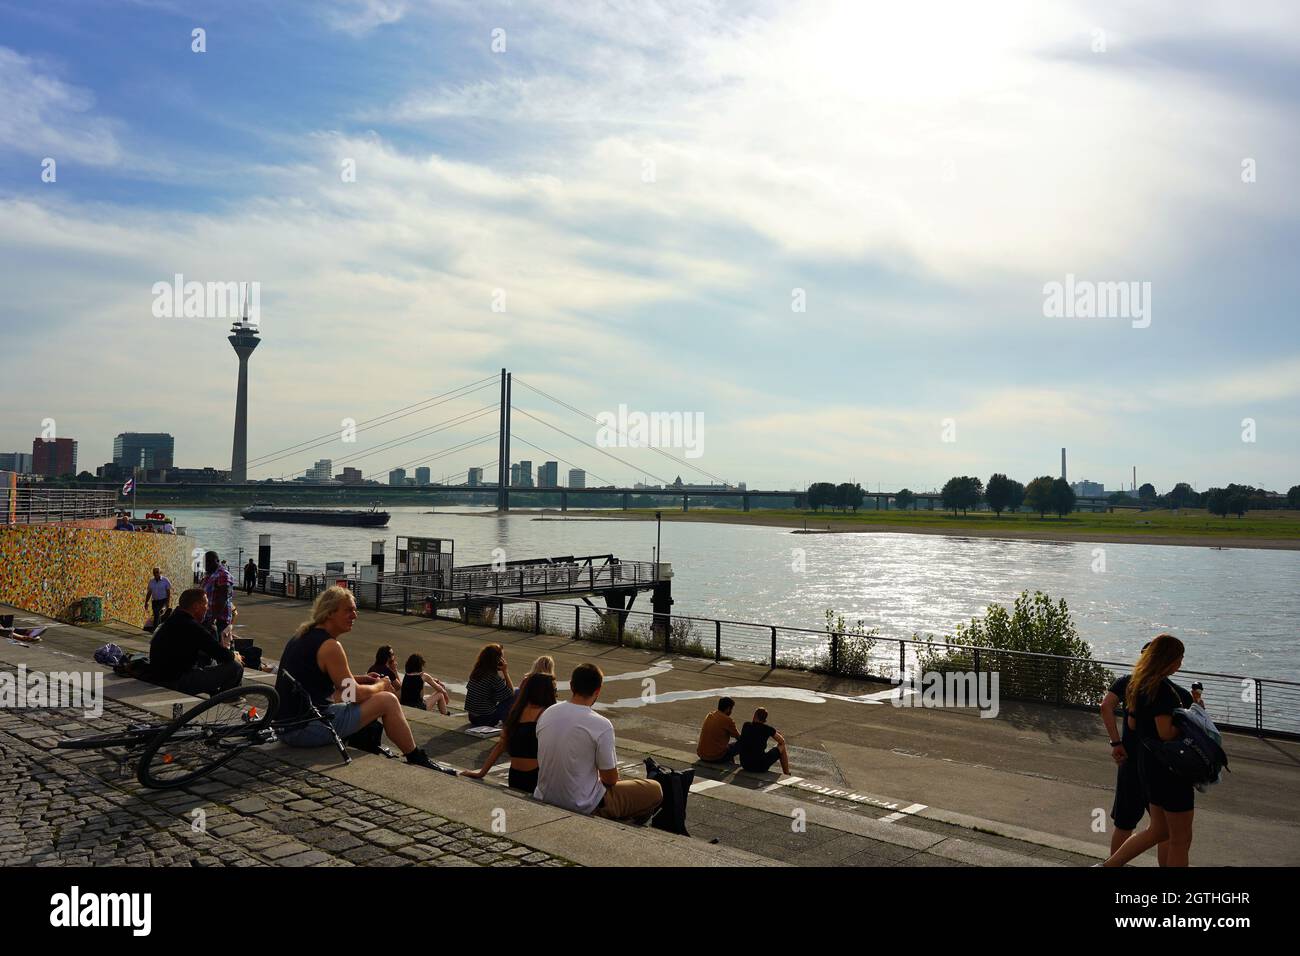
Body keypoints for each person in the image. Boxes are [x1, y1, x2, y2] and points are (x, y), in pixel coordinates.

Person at [273, 586, 435, 766]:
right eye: (348, 610)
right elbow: (353, 694)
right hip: (305, 729)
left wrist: (364, 679)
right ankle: (416, 757)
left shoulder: (302, 635)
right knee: (387, 700)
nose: (355, 615)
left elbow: (329, 680)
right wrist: (381, 685)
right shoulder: (330, 646)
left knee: (358, 699)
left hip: (285, 726)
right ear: (330, 613)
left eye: (355, 610)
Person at [1104, 634, 1196, 867]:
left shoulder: (1133, 686)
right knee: (1178, 837)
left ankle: (1110, 865)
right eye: (1179, 657)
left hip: (1142, 765)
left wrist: (1116, 743)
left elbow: (1131, 723)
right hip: (1168, 769)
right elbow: (1165, 733)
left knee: (1148, 827)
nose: (1181, 663)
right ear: (1168, 659)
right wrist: (1190, 724)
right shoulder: (1169, 692)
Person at [534, 663, 662, 823]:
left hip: (544, 794)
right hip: (582, 803)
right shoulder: (601, 725)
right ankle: (624, 821)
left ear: (572, 686)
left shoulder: (548, 713)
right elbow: (610, 779)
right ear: (597, 691)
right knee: (654, 789)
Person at [462, 670, 557, 792]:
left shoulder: (542, 713)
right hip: (517, 776)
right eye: (554, 690)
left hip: (536, 776)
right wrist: (481, 773)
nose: (556, 694)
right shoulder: (520, 711)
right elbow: (501, 744)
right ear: (543, 691)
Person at [148, 588, 244, 696]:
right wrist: (234, 656)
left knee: (207, 660)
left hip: (159, 675)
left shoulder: (171, 620)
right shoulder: (192, 626)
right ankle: (226, 699)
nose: (207, 608)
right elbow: (220, 653)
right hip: (177, 681)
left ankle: (215, 693)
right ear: (196, 607)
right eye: (206, 605)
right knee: (235, 667)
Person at [464, 643, 516, 727]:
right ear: (496, 660)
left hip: (472, 717)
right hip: (485, 719)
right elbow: (511, 693)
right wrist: (505, 672)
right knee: (515, 694)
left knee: (505, 692)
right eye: (502, 658)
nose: (503, 660)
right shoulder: (492, 677)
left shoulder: (477, 671)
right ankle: (508, 723)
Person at [738, 707, 791, 775]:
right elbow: (782, 741)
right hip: (760, 766)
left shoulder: (746, 725)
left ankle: (786, 773)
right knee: (782, 746)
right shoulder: (767, 729)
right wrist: (774, 733)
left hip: (745, 764)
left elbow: (755, 733)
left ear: (755, 715)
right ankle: (787, 773)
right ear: (764, 719)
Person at [696, 696, 742, 763]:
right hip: (715, 757)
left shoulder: (710, 715)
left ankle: (730, 760)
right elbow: (739, 738)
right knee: (742, 743)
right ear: (728, 708)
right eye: (731, 709)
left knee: (728, 746)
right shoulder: (727, 720)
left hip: (702, 754)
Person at [200, 551, 234, 638]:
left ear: (218, 561)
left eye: (210, 561)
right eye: (205, 562)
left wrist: (213, 619)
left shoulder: (223, 575)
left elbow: (224, 598)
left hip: (219, 620)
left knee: (219, 645)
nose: (207, 564)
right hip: (208, 618)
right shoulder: (208, 575)